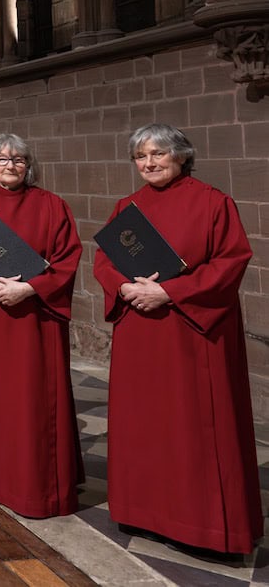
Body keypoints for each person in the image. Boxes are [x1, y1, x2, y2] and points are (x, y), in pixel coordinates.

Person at [93, 123, 261, 554]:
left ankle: (202, 528)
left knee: (193, 426)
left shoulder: (213, 202)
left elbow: (230, 261)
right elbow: (104, 259)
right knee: (143, 423)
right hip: (139, 330)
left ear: (181, 155)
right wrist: (123, 287)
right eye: (140, 156)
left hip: (190, 333)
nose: (148, 163)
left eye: (158, 154)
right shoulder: (127, 206)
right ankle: (142, 512)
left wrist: (171, 292)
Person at [0, 134, 83, 517]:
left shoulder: (52, 205)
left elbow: (68, 257)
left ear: (29, 165)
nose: (10, 165)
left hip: (34, 319)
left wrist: (31, 288)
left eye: (18, 159)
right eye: (2, 159)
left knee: (33, 402)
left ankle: (37, 489)